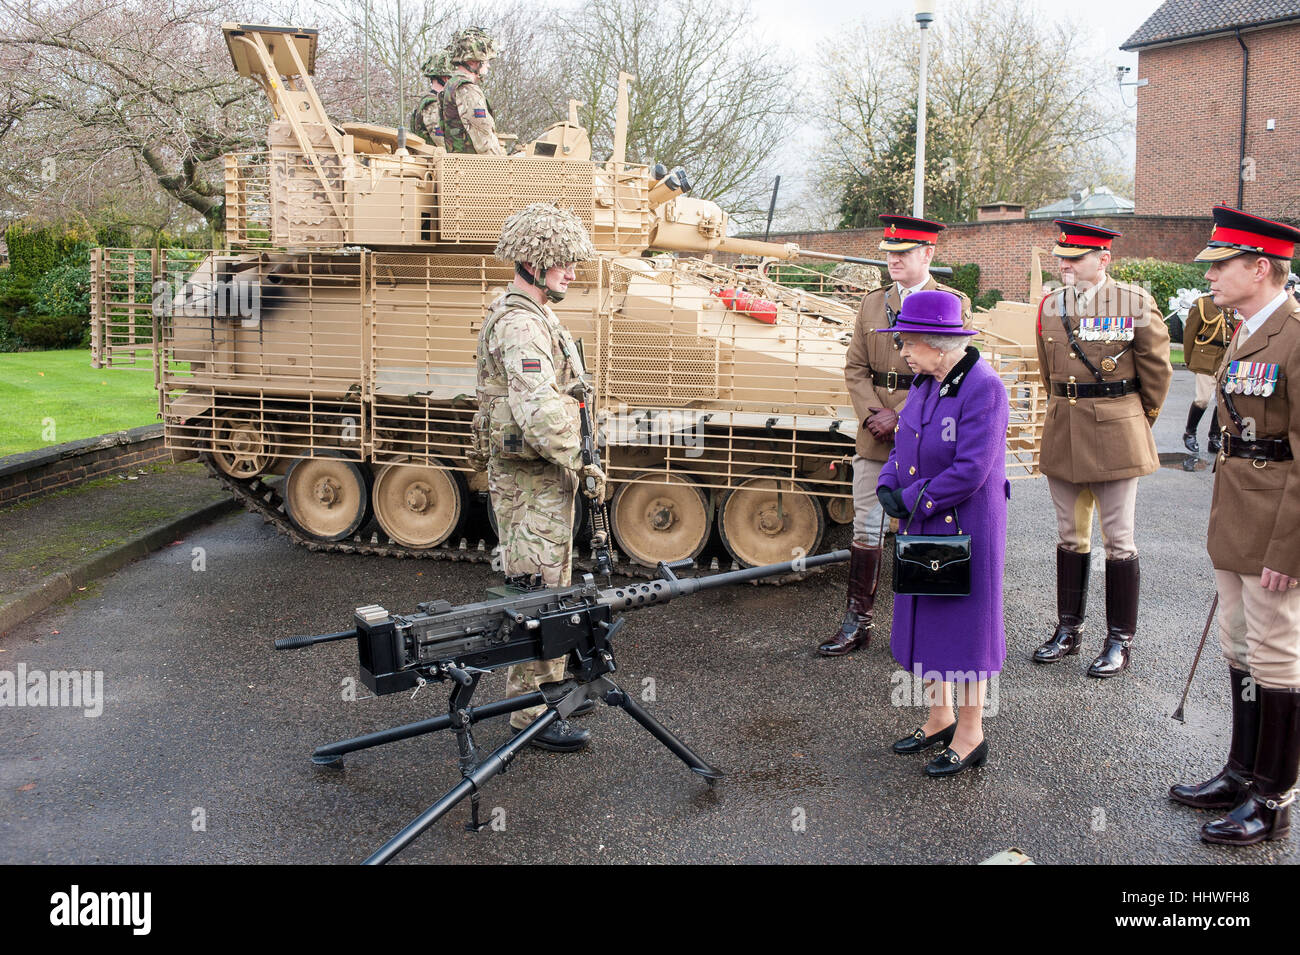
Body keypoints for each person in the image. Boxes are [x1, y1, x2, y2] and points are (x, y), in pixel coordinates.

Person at [1168, 205, 1300, 846]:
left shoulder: (1295, 333)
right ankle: (1242, 772)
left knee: (1277, 656)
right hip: (1236, 515)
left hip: (1278, 525)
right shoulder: (1246, 329)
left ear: (1262, 267)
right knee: (1240, 646)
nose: (1211, 277)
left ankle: (1274, 797)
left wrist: (1290, 546)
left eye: (1222, 266)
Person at [472, 202, 606, 752]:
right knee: (534, 590)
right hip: (531, 483)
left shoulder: (536, 313)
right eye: (563, 263)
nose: (572, 272)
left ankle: (551, 685)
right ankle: (526, 713)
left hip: (542, 481)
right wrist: (585, 462)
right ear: (534, 261)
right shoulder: (522, 323)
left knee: (552, 583)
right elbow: (541, 415)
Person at [874, 290, 1009, 776]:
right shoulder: (926, 381)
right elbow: (903, 443)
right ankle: (939, 718)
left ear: (940, 343)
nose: (904, 350)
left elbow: (972, 469)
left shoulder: (983, 386)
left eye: (909, 342)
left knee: (965, 631)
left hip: (965, 524)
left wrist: (912, 500)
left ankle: (971, 734)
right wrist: (889, 481)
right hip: (927, 518)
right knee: (929, 621)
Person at [1030, 219, 1172, 678]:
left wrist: (1134, 422)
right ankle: (1068, 630)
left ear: (1104, 259)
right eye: (1062, 259)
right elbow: (1046, 372)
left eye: (1076, 259)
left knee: (1119, 541)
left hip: (1115, 429)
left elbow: (1156, 373)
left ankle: (1119, 640)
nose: (1065, 266)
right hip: (1064, 429)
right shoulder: (1051, 306)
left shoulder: (1134, 302)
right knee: (1070, 536)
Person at [822, 215, 970, 657]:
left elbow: (951, 371)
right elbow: (855, 368)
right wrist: (875, 416)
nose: (893, 260)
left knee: (924, 522)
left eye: (903, 253)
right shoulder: (872, 304)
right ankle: (857, 622)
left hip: (926, 429)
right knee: (867, 525)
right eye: (888, 252)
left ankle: (928, 626)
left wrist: (900, 417)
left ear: (928, 254)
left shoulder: (951, 302)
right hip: (875, 433)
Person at [1181, 293, 1237, 454]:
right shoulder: (1203, 303)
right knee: (1203, 398)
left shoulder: (1237, 302)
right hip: (1205, 356)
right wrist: (1189, 359)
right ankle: (1190, 433)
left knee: (1223, 401)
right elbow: (1190, 332)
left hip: (1227, 358)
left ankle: (1214, 438)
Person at [440, 26, 504, 155]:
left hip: (460, 165)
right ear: (474, 62)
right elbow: (484, 139)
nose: (488, 65)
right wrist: (502, 169)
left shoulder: (450, 85)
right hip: (474, 169)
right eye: (486, 61)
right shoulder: (467, 89)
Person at [410, 49, 454, 149]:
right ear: (446, 78)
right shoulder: (432, 104)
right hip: (435, 160)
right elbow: (440, 141)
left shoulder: (433, 101)